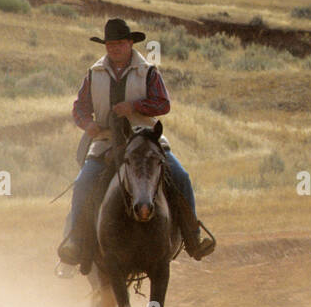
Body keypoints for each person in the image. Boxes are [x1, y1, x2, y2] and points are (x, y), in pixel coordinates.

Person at [56, 18, 215, 278]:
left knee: (181, 177)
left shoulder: (148, 71)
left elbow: (163, 104)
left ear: (130, 43)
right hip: (106, 141)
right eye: (110, 44)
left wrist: (135, 107)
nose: (114, 48)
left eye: (119, 43)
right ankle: (75, 243)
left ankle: (193, 238)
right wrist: (87, 124)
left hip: (146, 141)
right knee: (83, 183)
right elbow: (79, 107)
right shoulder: (93, 73)